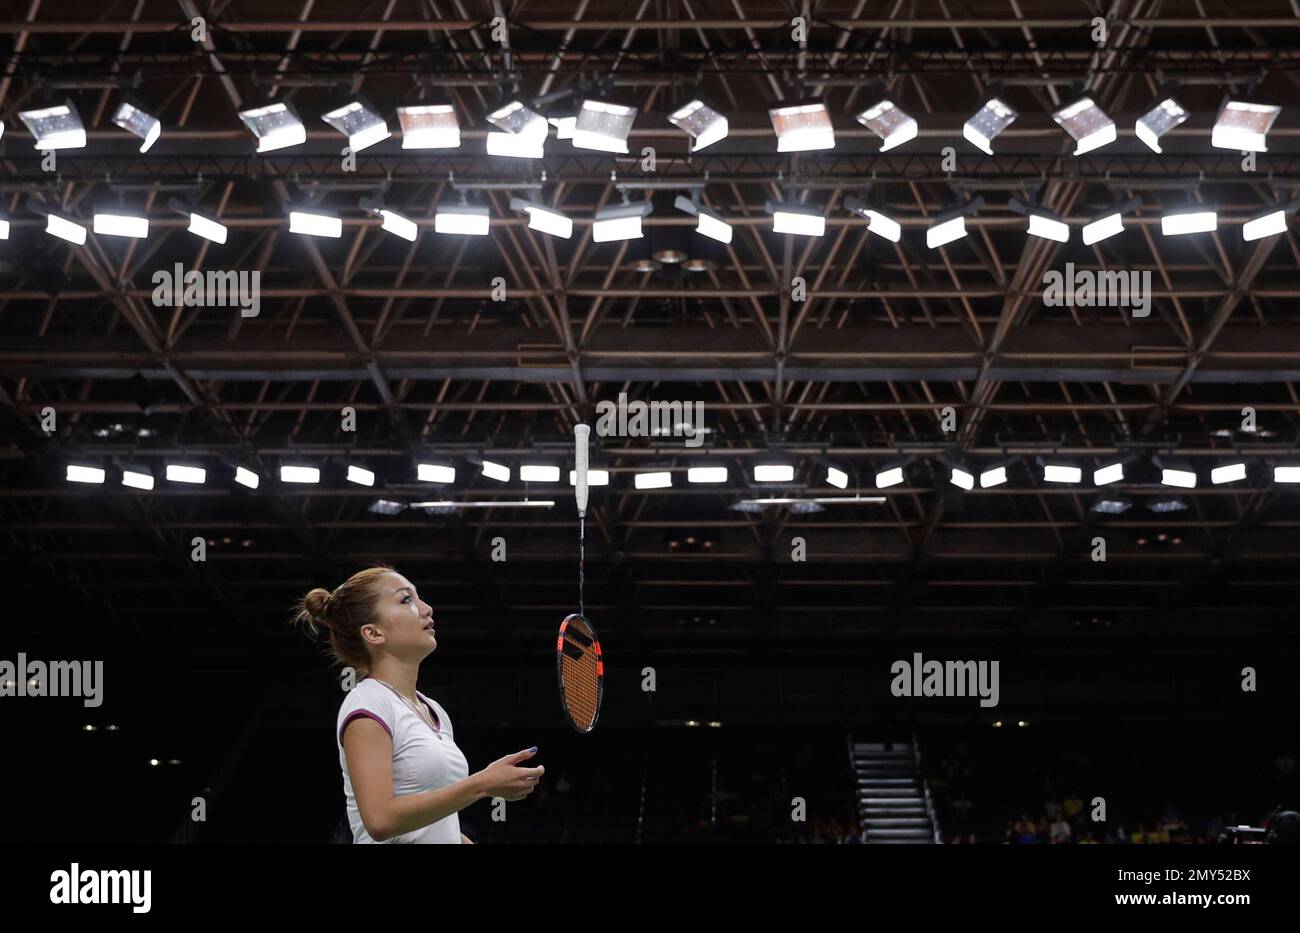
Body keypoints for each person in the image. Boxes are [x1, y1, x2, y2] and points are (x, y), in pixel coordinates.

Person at [293, 565, 544, 843]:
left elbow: (433, 824)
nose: (427, 609)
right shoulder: (368, 705)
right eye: (406, 599)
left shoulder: (434, 711)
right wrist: (483, 784)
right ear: (373, 633)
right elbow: (380, 820)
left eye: (418, 597)